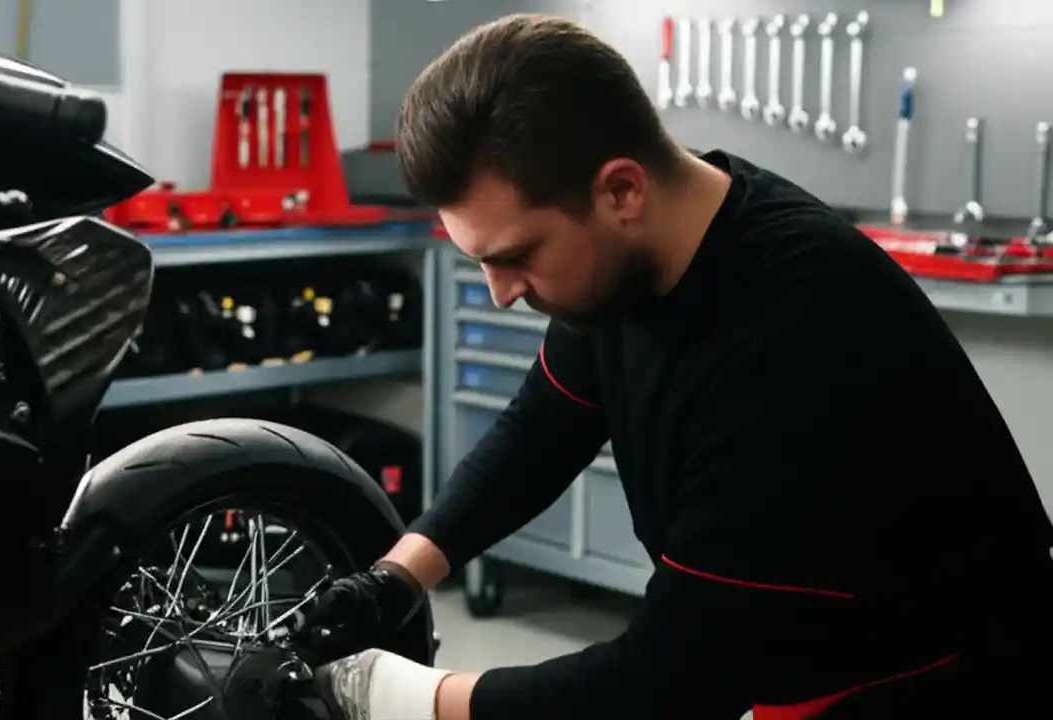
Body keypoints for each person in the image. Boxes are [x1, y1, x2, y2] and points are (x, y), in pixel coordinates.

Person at [292, 12, 1053, 720]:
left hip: (955, 684)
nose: (500, 295)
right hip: (812, 665)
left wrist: (397, 694)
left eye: (516, 256)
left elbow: (670, 679)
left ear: (622, 188)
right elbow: (540, 431)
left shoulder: (789, 335)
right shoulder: (641, 257)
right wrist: (395, 576)